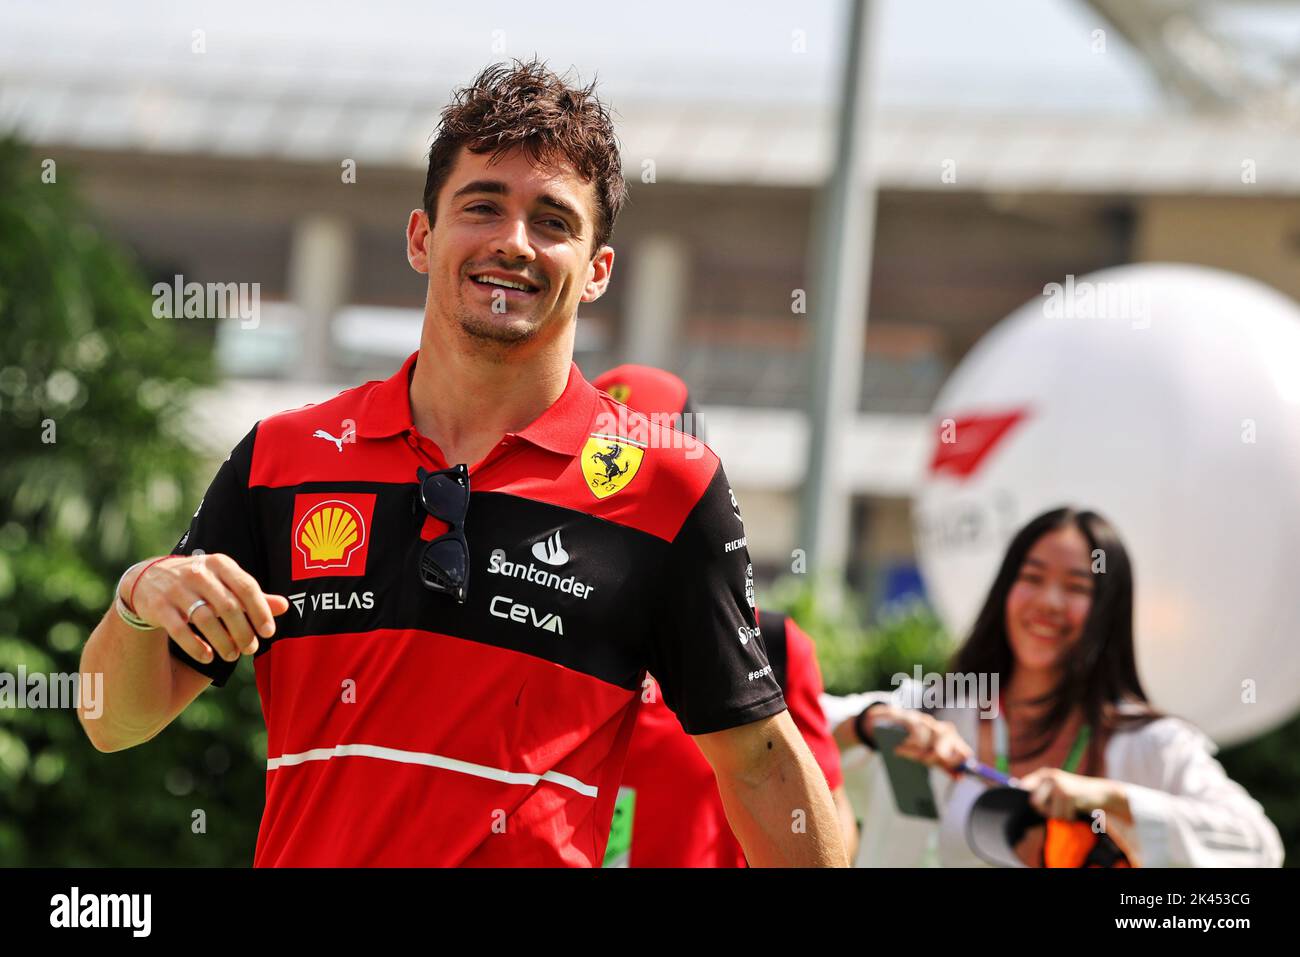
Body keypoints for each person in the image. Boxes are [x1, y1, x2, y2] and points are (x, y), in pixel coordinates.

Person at [76, 59, 847, 868]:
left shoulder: (668, 484)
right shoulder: (283, 457)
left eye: (553, 220)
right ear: (422, 236)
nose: (513, 242)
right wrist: (138, 599)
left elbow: (758, 765)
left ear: (597, 272)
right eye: (483, 206)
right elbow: (111, 719)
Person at [824, 506, 1284, 867]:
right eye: (1032, 578)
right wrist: (867, 726)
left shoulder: (1148, 745)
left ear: (1109, 608)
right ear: (1006, 590)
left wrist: (1108, 798)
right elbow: (780, 739)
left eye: (1077, 586)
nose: (1049, 602)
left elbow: (1258, 847)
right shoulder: (931, 708)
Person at [590, 364, 858, 866]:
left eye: (649, 468)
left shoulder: (767, 646)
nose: (619, 489)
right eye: (604, 464)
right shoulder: (532, 620)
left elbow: (825, 826)